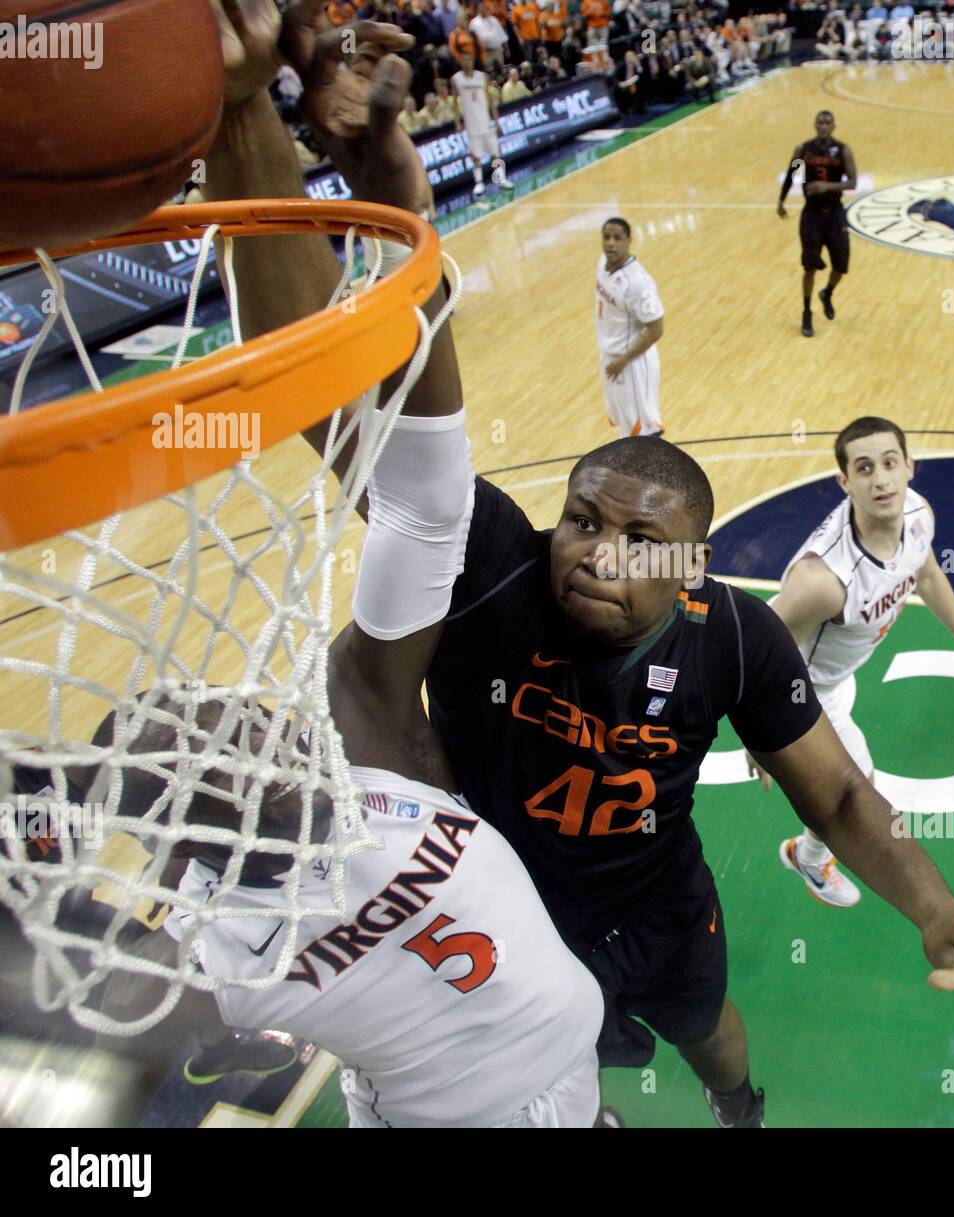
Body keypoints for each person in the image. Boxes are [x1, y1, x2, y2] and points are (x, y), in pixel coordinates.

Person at [96, 0, 605, 1129]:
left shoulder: (377, 752)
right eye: (211, 739)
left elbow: (412, 488)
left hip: (587, 1020)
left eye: (210, 705)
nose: (243, 714)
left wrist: (320, 173)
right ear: (195, 855)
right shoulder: (222, 953)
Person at [424, 351, 954, 1124]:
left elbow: (843, 792)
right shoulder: (497, 567)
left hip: (657, 903)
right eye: (582, 521)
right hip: (504, 901)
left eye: (642, 539)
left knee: (706, 1027)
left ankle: (738, 1106)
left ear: (692, 566)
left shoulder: (732, 635)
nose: (598, 553)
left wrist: (939, 911)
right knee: (543, 1057)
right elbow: (385, 432)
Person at [751, 418, 954, 907]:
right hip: (802, 690)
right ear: (844, 482)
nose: (880, 480)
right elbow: (763, 647)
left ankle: (807, 852)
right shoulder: (822, 580)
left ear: (909, 467)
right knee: (858, 792)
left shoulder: (918, 514)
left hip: (837, 673)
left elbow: (927, 575)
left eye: (890, 463)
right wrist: (762, 734)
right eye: (864, 468)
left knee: (843, 787)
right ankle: (810, 857)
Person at [778, 110, 857, 338]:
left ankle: (827, 293)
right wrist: (781, 201)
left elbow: (852, 183)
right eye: (820, 123)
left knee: (841, 266)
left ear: (834, 126)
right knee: (809, 267)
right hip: (811, 215)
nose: (823, 126)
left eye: (827, 123)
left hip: (834, 214)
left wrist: (827, 186)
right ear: (815, 125)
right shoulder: (803, 149)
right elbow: (790, 175)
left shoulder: (843, 150)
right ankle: (806, 312)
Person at [594, 217, 665, 438]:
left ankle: (653, 471)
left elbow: (656, 328)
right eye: (606, 237)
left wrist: (623, 359)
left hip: (632, 363)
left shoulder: (639, 284)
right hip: (611, 358)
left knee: (644, 431)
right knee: (626, 430)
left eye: (617, 238)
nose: (611, 243)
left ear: (629, 240)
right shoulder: (601, 265)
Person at [451, 49, 515, 196]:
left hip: (486, 122)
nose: (467, 62)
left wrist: (496, 119)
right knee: (476, 156)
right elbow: (454, 103)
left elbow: (490, 100)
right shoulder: (456, 79)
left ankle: (501, 179)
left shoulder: (482, 77)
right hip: (471, 125)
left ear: (473, 61)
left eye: (469, 59)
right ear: (460, 62)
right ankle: (479, 183)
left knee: (495, 153)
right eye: (464, 59)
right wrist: (457, 122)